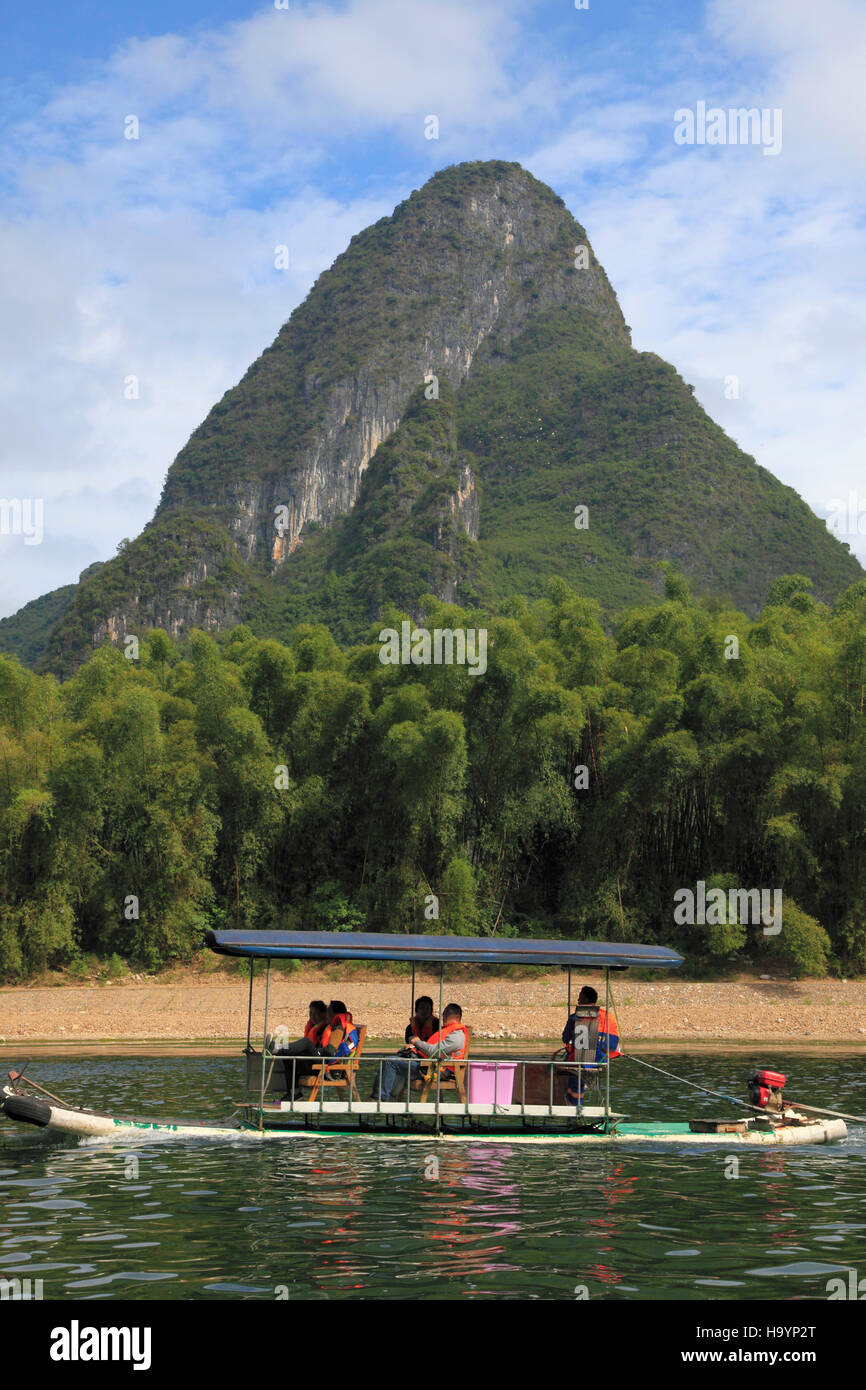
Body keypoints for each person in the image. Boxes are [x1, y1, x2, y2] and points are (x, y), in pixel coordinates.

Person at [371, 1003, 467, 1101]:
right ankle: (389, 1098)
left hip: (436, 1071)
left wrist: (417, 1042)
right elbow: (434, 1049)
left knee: (390, 1062)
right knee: (398, 1060)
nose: (444, 1017)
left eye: (447, 1014)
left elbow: (433, 1051)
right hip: (429, 1065)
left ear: (457, 1016)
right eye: (443, 1014)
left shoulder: (457, 1036)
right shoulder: (448, 1031)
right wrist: (414, 1048)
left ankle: (380, 1098)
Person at [561, 986, 622, 1105]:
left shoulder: (575, 1017)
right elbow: (612, 1043)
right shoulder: (607, 1017)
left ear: (585, 998)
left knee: (569, 1068)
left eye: (579, 997)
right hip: (599, 1060)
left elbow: (565, 1038)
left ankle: (574, 1102)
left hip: (578, 1062)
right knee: (581, 1067)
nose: (578, 1000)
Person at [267, 999, 330, 1094]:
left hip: (321, 1067)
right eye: (310, 1013)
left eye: (315, 1014)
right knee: (289, 1057)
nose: (312, 1017)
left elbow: (329, 1052)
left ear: (323, 1014)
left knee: (306, 1042)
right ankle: (294, 1093)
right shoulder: (314, 1027)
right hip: (311, 1063)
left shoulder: (328, 1028)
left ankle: (277, 1048)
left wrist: (316, 1051)